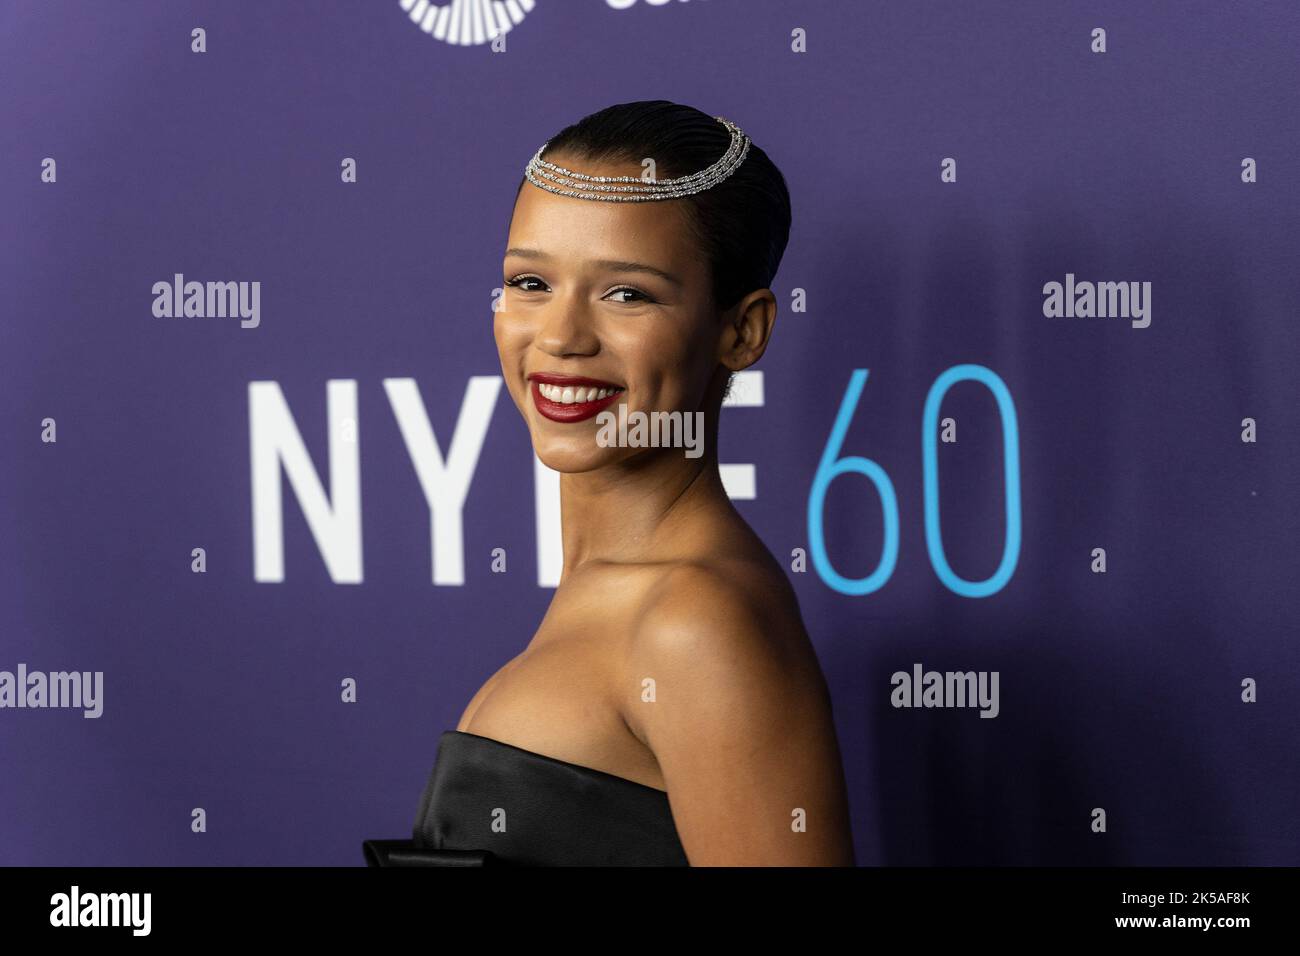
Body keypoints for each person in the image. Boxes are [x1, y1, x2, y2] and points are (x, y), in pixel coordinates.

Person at [366, 100, 854, 867]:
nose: (560, 337)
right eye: (529, 282)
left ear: (742, 331)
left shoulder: (695, 623)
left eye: (626, 293)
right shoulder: (615, 593)